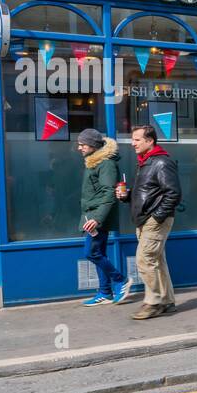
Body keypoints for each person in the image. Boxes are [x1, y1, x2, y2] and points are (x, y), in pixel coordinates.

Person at [116, 124, 181, 320]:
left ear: (149, 141)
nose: (132, 143)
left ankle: (153, 302)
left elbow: (174, 193)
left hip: (154, 219)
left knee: (144, 260)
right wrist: (127, 195)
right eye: (133, 139)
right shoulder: (144, 162)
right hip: (144, 219)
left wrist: (157, 217)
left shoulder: (161, 162)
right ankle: (167, 301)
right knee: (157, 261)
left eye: (137, 139)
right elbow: (147, 192)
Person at [77, 128, 129, 306]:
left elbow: (108, 193)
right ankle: (105, 292)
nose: (79, 148)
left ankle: (120, 280)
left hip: (97, 217)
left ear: (93, 145)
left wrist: (97, 218)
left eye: (82, 144)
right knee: (99, 253)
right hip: (92, 215)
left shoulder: (105, 164)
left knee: (91, 253)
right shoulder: (94, 162)